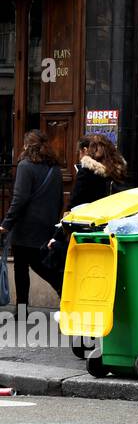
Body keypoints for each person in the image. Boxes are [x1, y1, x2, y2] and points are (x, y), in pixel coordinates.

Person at [1, 131, 64, 306]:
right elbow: (59, 199)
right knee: (40, 263)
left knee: (24, 268)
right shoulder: (55, 168)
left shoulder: (25, 166)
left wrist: (6, 224)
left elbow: (19, 198)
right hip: (46, 224)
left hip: (26, 227)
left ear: (28, 146)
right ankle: (63, 289)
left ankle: (23, 311)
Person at [67, 134, 128, 210]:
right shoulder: (118, 170)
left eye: (79, 152)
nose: (79, 157)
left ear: (85, 150)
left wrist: (67, 211)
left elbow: (75, 200)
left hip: (90, 218)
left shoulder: (86, 172)